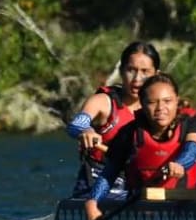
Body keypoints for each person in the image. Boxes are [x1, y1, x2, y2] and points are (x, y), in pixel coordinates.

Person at [83, 73, 196, 220]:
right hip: (141, 211)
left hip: (183, 210)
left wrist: (180, 164)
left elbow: (194, 148)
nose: (161, 108)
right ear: (142, 103)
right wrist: (92, 202)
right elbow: (109, 174)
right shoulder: (129, 133)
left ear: (177, 101)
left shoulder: (193, 125)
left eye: (167, 101)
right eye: (152, 102)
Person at [65, 41, 161, 199]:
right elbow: (76, 124)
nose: (137, 79)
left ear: (156, 75)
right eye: (131, 70)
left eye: (145, 72)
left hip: (135, 186)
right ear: (122, 71)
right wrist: (86, 131)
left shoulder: (160, 109)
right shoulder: (103, 101)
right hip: (96, 185)